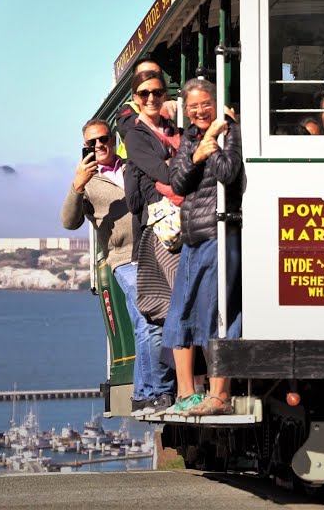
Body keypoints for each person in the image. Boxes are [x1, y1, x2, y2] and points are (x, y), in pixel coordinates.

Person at [60, 120, 174, 414]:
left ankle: (143, 395)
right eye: (92, 142)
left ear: (113, 139)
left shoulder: (132, 167)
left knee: (146, 323)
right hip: (123, 259)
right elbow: (69, 221)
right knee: (151, 320)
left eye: (103, 139)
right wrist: (77, 185)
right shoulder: (88, 182)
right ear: (85, 147)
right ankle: (158, 391)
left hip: (154, 249)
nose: (99, 145)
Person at [166, 78, 244, 416]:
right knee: (181, 313)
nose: (199, 111)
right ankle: (186, 394)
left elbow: (229, 172)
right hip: (192, 237)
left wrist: (213, 139)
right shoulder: (189, 138)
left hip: (219, 232)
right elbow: (178, 182)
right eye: (193, 106)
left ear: (217, 103)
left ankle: (219, 394)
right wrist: (198, 152)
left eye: (205, 104)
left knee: (217, 312)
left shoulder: (231, 131)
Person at [119, 69, 186, 404]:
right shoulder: (135, 135)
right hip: (161, 232)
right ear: (135, 99)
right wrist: (186, 166)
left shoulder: (174, 128)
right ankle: (163, 389)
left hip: (189, 224)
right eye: (144, 94)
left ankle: (179, 387)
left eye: (157, 92)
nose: (151, 99)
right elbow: (161, 173)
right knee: (163, 311)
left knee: (187, 306)